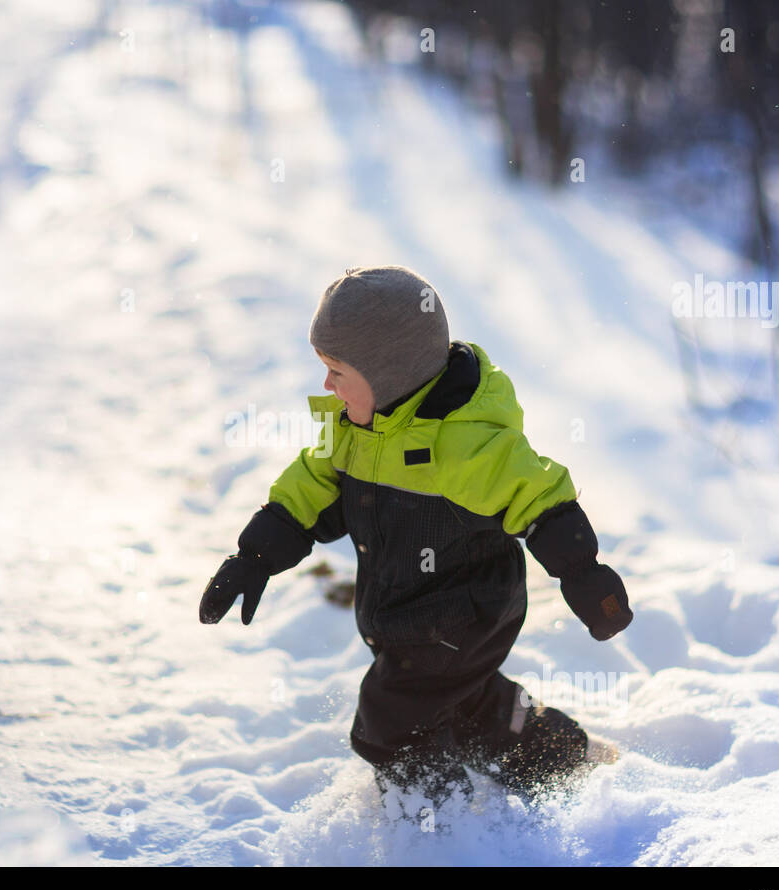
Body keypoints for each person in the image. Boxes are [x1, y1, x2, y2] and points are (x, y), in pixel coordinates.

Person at [199, 265, 633, 807]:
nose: (326, 386)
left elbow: (541, 498)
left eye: (337, 371)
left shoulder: (464, 444)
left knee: (391, 722)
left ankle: (434, 831)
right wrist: (254, 557)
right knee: (467, 707)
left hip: (463, 616)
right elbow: (312, 490)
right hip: (405, 616)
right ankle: (565, 756)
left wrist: (585, 574)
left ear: (388, 374)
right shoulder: (355, 431)